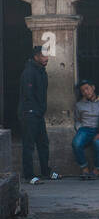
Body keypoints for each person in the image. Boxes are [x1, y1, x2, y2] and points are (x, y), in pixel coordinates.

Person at [18, 44, 59, 184]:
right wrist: (33, 110)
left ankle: (46, 172)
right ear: (36, 57)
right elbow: (28, 95)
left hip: (38, 113)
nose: (46, 58)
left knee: (43, 143)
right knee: (29, 145)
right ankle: (29, 176)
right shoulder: (29, 72)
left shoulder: (42, 71)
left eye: (47, 55)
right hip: (29, 113)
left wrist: (40, 110)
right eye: (43, 56)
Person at [72, 79, 99, 180]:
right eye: (83, 91)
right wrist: (79, 129)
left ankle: (98, 168)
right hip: (85, 129)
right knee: (76, 143)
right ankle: (84, 167)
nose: (86, 92)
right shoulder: (79, 105)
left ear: (93, 88)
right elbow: (77, 120)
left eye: (87, 89)